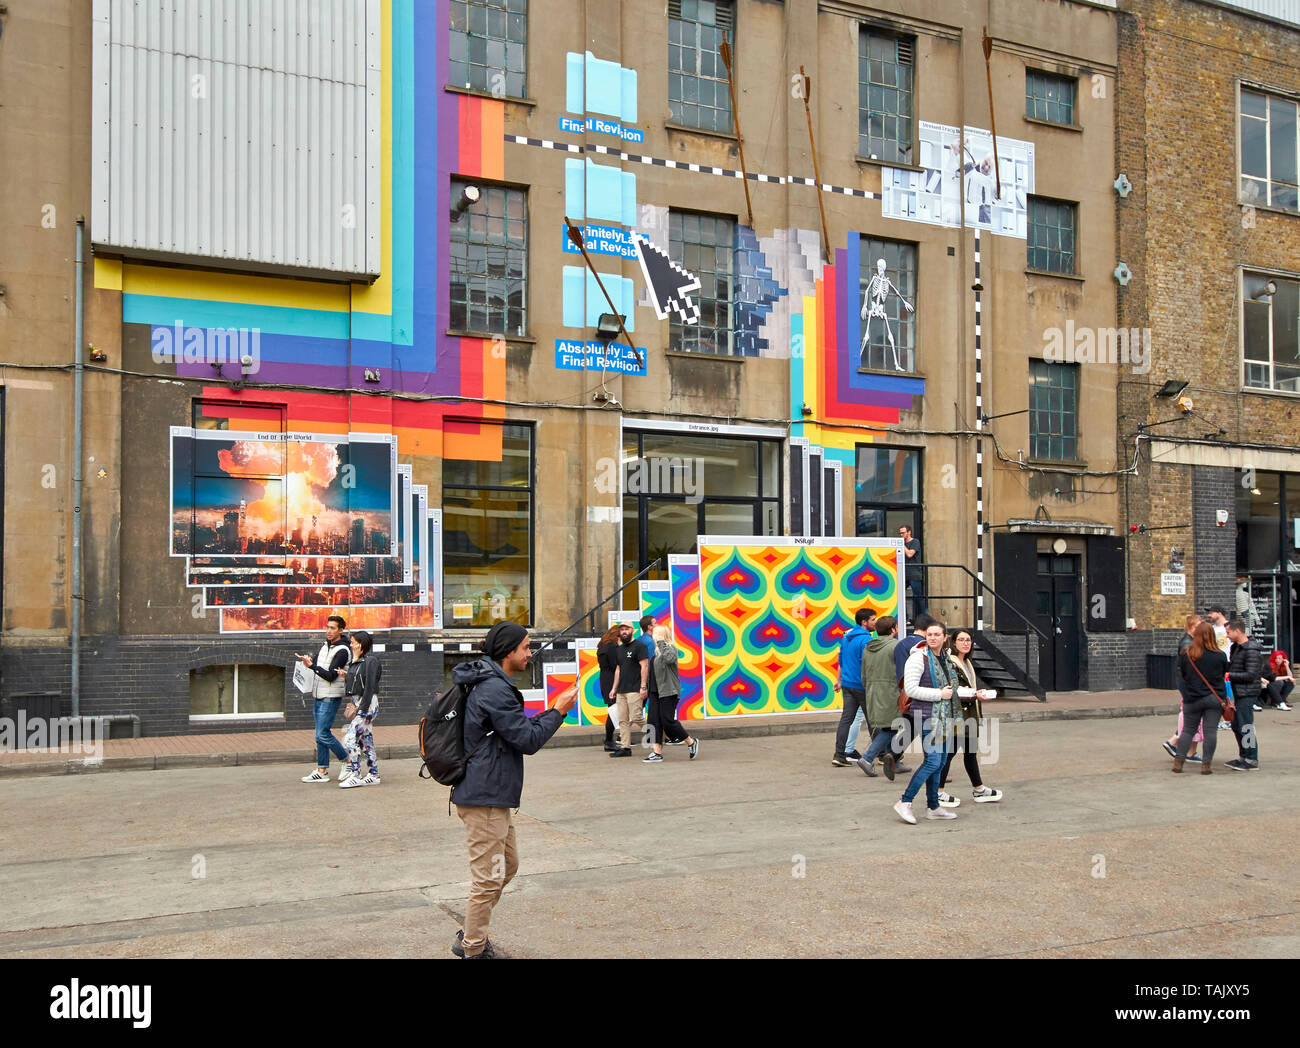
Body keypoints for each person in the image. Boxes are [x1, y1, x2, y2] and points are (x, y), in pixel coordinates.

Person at [450, 621, 577, 959]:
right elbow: (528, 739)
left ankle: (471, 933)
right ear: (508, 652)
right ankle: (473, 948)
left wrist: (549, 714)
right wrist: (559, 711)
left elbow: (518, 730)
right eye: (525, 647)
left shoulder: (494, 684)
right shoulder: (494, 689)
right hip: (484, 797)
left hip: (493, 794)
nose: (530, 652)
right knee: (488, 879)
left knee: (508, 865)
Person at [893, 621, 961, 824]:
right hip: (927, 715)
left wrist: (974, 694)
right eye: (929, 634)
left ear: (944, 637)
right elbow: (911, 689)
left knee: (940, 762)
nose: (932, 638)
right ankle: (905, 802)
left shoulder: (946, 658)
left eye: (936, 634)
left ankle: (933, 806)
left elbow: (952, 690)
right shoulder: (918, 658)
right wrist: (939, 694)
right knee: (932, 761)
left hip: (945, 715)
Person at [939, 629, 1002, 803]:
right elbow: (955, 689)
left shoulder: (966, 662)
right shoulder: (950, 663)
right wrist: (976, 694)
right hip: (959, 715)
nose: (966, 643)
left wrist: (977, 694)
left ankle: (979, 788)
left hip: (970, 714)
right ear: (953, 642)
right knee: (949, 753)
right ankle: (938, 791)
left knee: (970, 752)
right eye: (961, 640)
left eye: (968, 640)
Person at [298, 614, 352, 783]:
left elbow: (330, 676)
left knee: (322, 734)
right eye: (327, 627)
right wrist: (308, 661)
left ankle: (348, 761)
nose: (328, 631)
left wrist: (312, 666)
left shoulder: (342, 650)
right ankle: (322, 770)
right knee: (319, 734)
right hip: (319, 694)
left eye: (332, 628)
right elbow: (317, 663)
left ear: (340, 630)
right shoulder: (325, 646)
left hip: (330, 696)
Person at [857, 615, 910, 780]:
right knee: (891, 728)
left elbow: (863, 674)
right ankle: (867, 758)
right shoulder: (896, 646)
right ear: (893, 629)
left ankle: (893, 759)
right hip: (891, 692)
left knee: (888, 726)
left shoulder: (868, 647)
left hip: (873, 691)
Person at [1173, 621, 1229, 774]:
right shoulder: (1220, 656)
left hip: (1192, 699)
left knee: (1187, 731)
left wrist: (1187, 694)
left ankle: (1179, 762)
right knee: (1210, 731)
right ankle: (1206, 765)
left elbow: (1181, 676)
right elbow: (1223, 674)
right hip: (1214, 698)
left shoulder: (1187, 655)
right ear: (1212, 636)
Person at [643, 625, 699, 762]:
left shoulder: (670, 648)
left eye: (655, 633)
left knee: (667, 720)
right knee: (653, 721)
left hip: (668, 691)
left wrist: (661, 642)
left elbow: (669, 659)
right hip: (655, 693)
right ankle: (656, 752)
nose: (653, 635)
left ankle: (691, 742)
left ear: (662, 635)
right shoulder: (656, 652)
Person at [832, 608, 876, 767]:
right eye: (873, 619)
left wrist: (838, 680)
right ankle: (881, 753)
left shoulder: (846, 637)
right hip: (862, 686)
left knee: (846, 720)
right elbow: (869, 664)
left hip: (848, 685)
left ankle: (839, 754)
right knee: (873, 720)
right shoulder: (865, 640)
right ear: (864, 622)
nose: (875, 622)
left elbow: (841, 661)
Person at [340, 630, 382, 788]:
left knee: (350, 739)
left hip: (367, 703)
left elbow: (370, 685)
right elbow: (357, 684)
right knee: (366, 741)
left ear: (361, 644)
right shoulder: (355, 661)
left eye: (353, 642)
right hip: (360, 701)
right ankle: (373, 774)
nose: (351, 644)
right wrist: (346, 676)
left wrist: (362, 708)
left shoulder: (370, 661)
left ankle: (356, 775)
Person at [1163, 614, 1204, 763]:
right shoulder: (1188, 644)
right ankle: (1175, 742)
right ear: (1192, 627)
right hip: (1189, 685)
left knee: (1194, 716)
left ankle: (1186, 749)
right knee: (1193, 717)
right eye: (1198, 626)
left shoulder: (1190, 641)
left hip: (1188, 684)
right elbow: (1190, 667)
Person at [1224, 618, 1261, 771]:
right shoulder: (1236, 648)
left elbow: (1251, 675)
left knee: (1246, 725)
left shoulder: (1251, 650)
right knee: (1236, 725)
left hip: (1247, 692)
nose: (1227, 636)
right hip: (1238, 692)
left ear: (1237, 631)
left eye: (1228, 632)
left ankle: (1251, 759)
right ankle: (1244, 756)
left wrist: (1229, 675)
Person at [610, 621, 648, 757]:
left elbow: (644, 667)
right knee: (622, 720)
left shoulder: (640, 646)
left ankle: (654, 732)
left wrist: (643, 686)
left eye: (627, 629)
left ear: (633, 630)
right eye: (622, 630)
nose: (624, 632)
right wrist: (614, 688)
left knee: (636, 716)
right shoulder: (619, 649)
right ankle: (625, 747)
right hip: (621, 690)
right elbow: (618, 669)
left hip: (635, 688)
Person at [596, 624, 624, 752]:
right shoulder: (612, 647)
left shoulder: (602, 647)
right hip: (612, 681)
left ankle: (610, 739)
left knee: (613, 710)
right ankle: (608, 740)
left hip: (605, 679)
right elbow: (615, 665)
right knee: (614, 711)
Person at [899, 525, 926, 615]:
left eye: (903, 533)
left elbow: (910, 554)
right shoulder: (901, 544)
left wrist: (902, 545)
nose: (901, 535)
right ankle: (905, 617)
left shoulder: (915, 542)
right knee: (900, 596)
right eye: (900, 533)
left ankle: (923, 616)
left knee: (918, 596)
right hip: (903, 573)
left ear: (909, 532)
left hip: (914, 573)